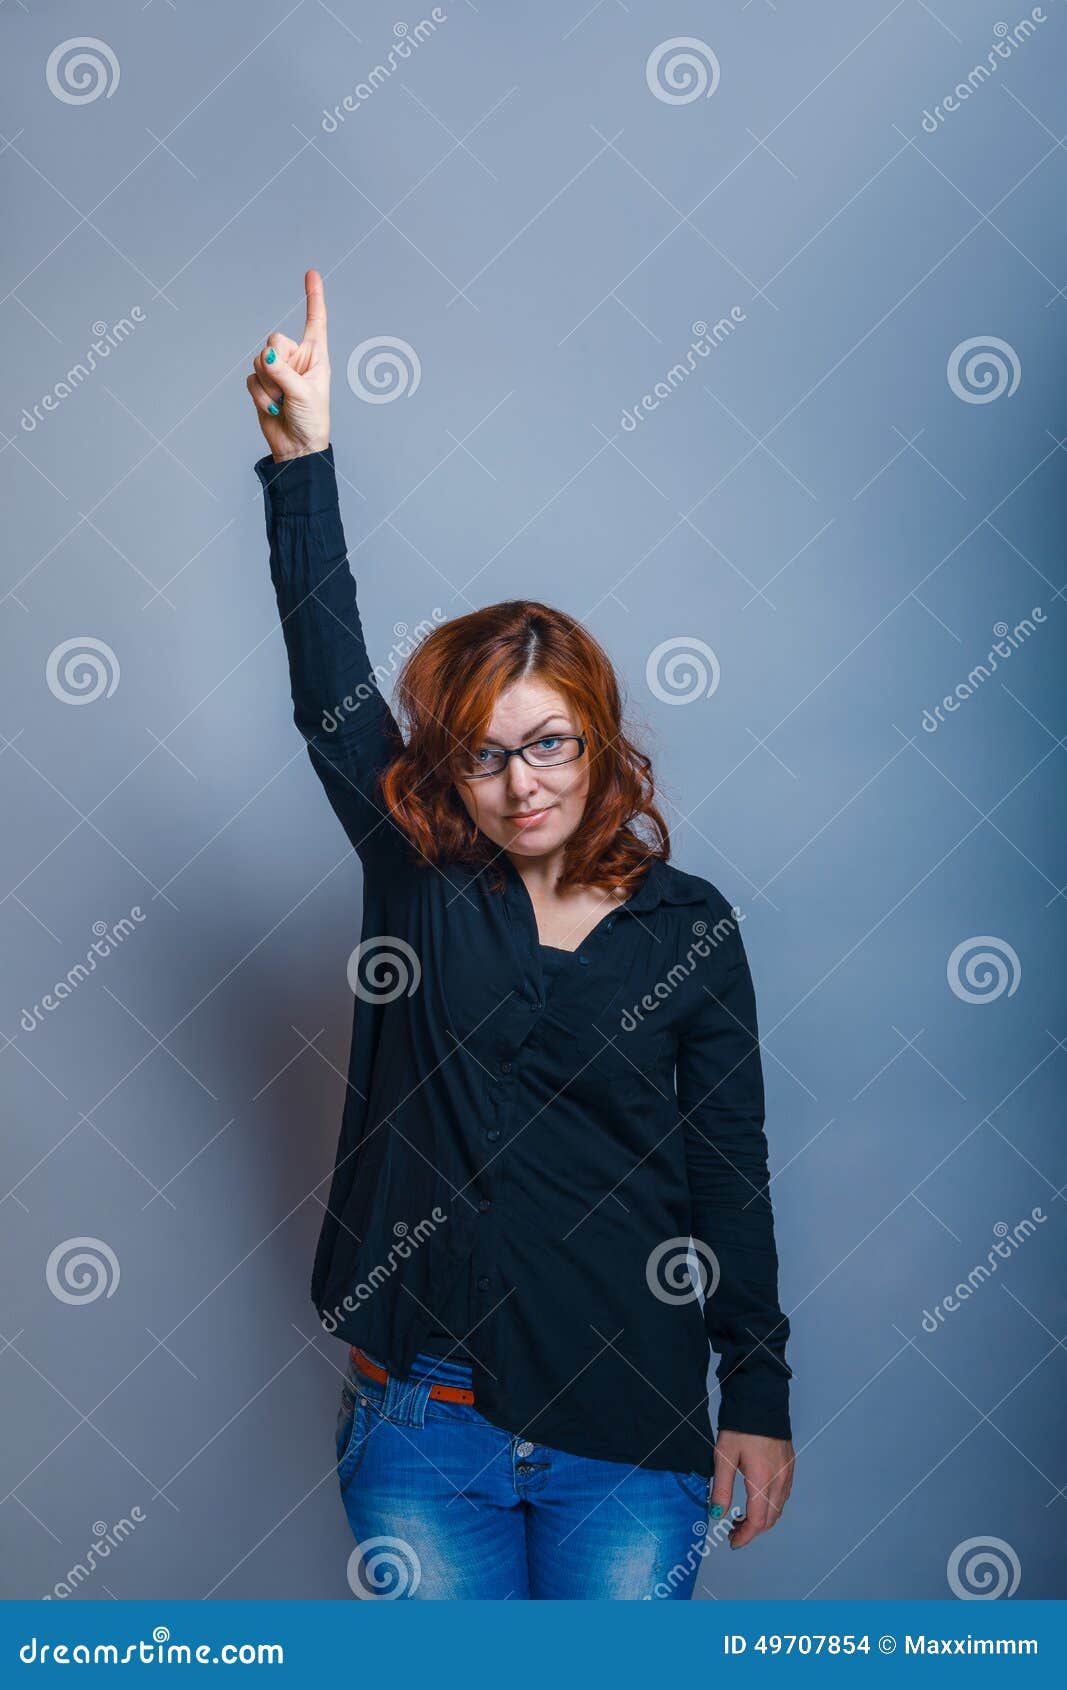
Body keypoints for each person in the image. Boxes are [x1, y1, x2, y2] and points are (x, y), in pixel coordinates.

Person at [247, 270, 795, 1601]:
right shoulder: (424, 879)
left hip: (630, 1428)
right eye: (486, 754)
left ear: (601, 739)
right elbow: (333, 689)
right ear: (456, 771)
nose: (523, 779)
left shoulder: (688, 927)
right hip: (424, 1429)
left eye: (548, 741)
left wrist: (759, 1391)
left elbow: (729, 1171)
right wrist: (302, 458)